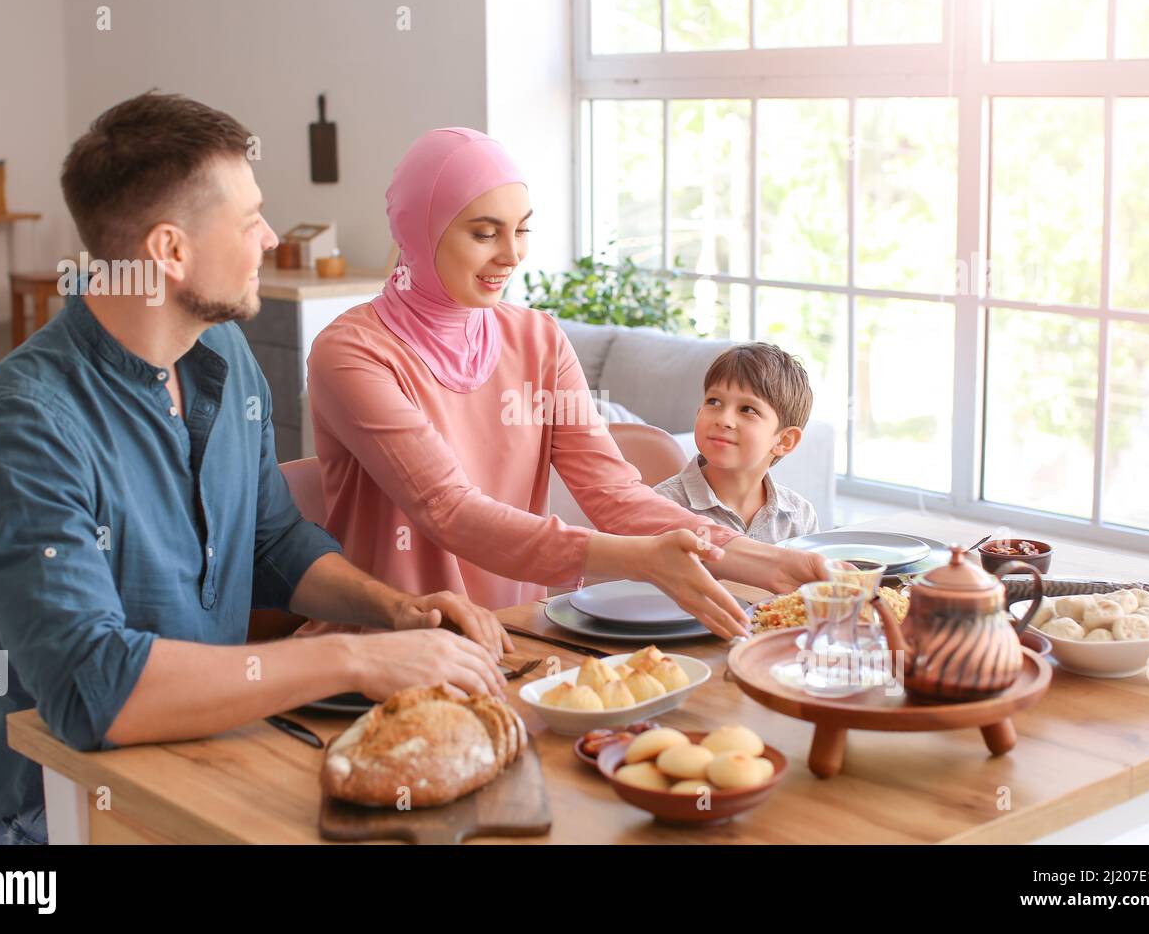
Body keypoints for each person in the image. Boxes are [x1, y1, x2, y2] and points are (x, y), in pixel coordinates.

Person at [0, 94, 510, 845]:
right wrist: (353, 656)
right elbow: (93, 691)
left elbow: (271, 540)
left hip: (227, 758)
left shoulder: (222, 356)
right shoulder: (22, 424)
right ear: (170, 252)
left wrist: (395, 611)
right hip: (77, 814)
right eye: (251, 220)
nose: (271, 238)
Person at [304, 127, 828, 642]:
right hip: (393, 648)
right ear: (419, 230)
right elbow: (449, 510)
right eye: (485, 233)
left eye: (522, 229)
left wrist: (769, 563)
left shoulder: (539, 340)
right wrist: (638, 559)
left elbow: (614, 493)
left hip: (525, 635)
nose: (512, 255)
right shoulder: (352, 353)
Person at [654, 342, 819, 543]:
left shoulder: (799, 517)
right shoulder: (660, 508)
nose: (723, 420)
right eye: (713, 401)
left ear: (784, 440)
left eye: (747, 409)